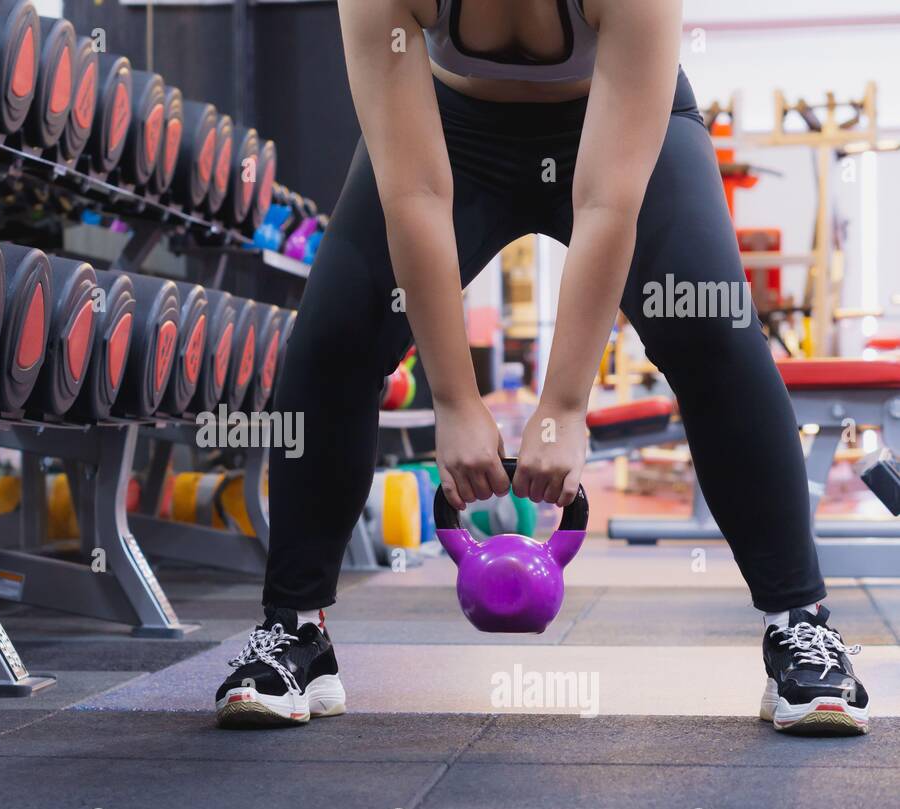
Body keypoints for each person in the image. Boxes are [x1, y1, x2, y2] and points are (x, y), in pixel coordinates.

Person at [214, 0, 870, 735]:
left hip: (611, 119)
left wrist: (563, 405)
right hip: (448, 132)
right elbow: (416, 196)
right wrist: (455, 403)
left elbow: (606, 204)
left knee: (713, 329)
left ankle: (799, 622)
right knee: (333, 338)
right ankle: (295, 628)